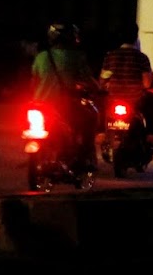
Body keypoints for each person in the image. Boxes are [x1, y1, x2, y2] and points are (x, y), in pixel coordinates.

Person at [31, 22, 101, 170]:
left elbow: (34, 80)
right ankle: (84, 155)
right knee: (91, 117)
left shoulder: (41, 56)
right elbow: (87, 79)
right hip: (65, 104)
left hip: (39, 104)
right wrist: (98, 89)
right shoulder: (76, 57)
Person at [100, 26, 153, 148]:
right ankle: (151, 135)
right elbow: (147, 83)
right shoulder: (141, 58)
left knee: (99, 102)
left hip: (113, 99)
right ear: (136, 37)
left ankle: (101, 132)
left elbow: (103, 80)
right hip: (135, 99)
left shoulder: (110, 56)